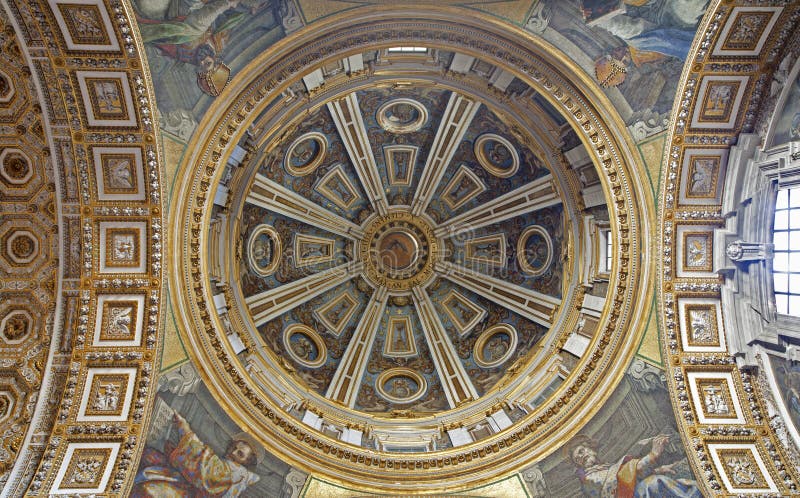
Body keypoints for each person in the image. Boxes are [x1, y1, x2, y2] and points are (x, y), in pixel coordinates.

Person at [131, 412, 263, 497]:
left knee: (149, 490)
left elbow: (203, 465)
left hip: (189, 493)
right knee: (149, 456)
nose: (232, 452)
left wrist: (184, 429)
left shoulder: (236, 474)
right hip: (189, 488)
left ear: (247, 461)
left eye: (240, 453)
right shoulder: (236, 474)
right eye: (233, 447)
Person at [568, 434, 701, 497]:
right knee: (653, 484)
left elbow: (629, 478)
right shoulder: (589, 478)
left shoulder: (605, 467)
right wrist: (653, 455)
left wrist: (659, 469)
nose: (581, 457)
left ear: (591, 448)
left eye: (581, 451)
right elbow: (622, 477)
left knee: (682, 483)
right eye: (577, 459)